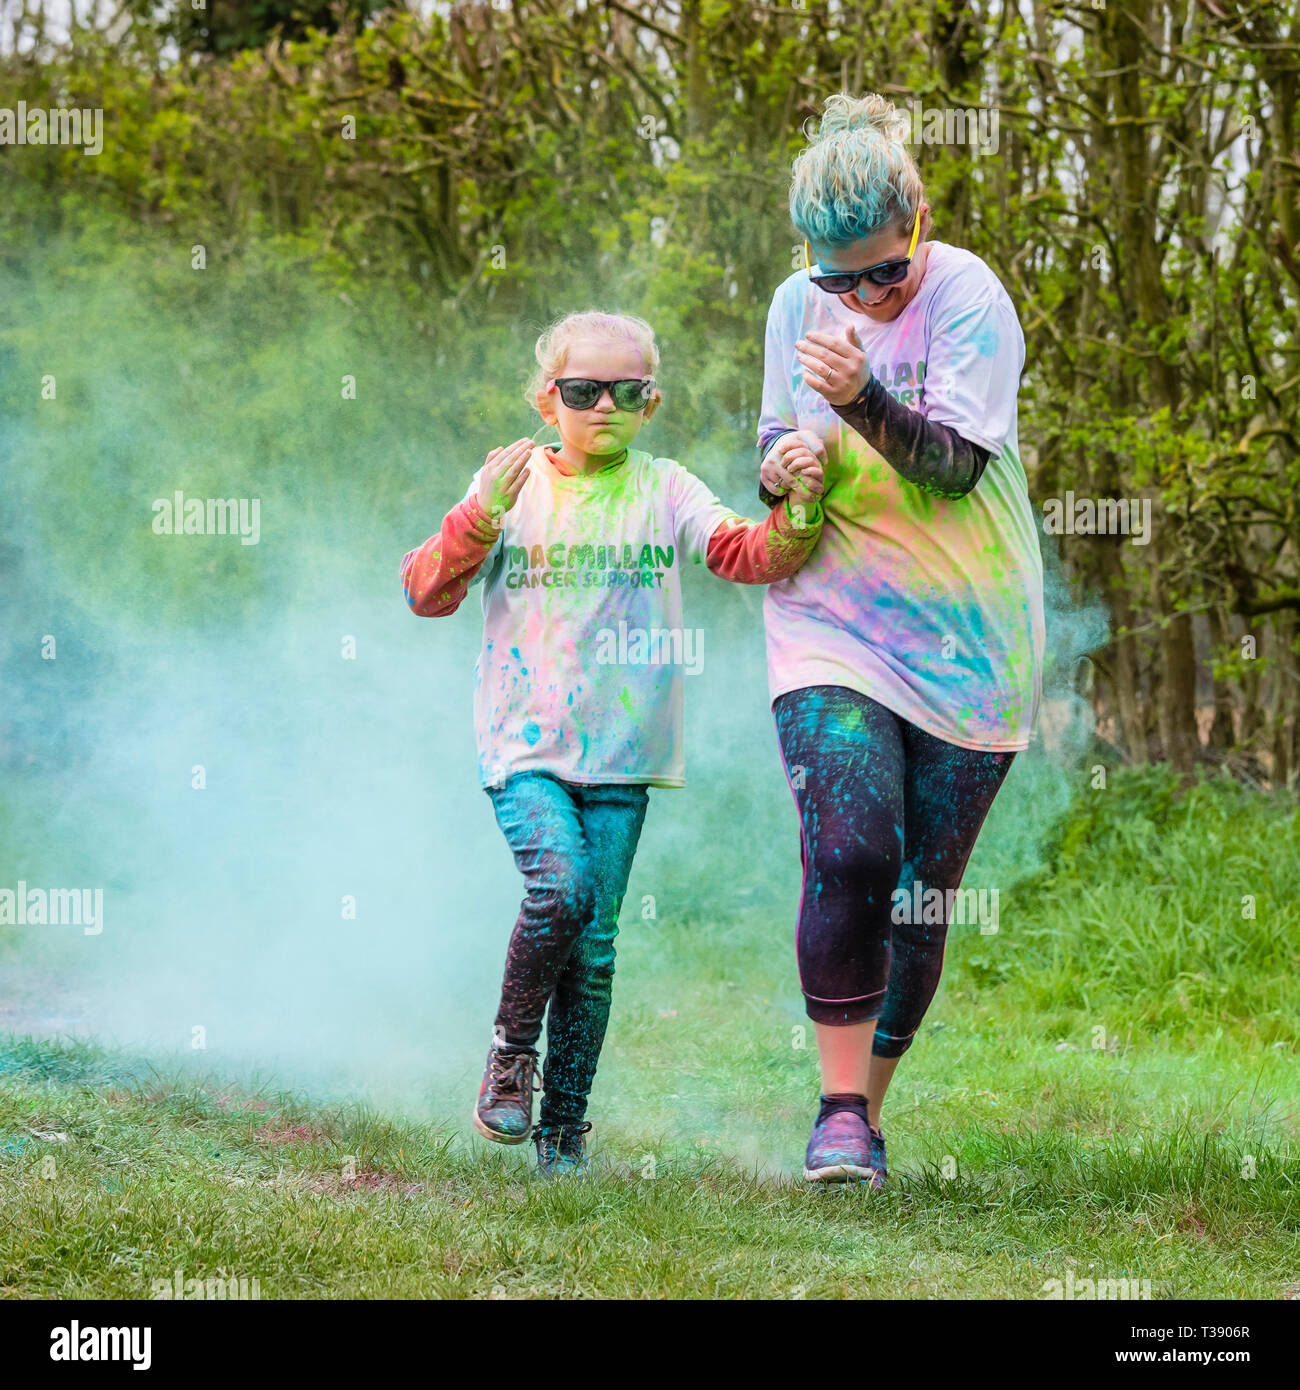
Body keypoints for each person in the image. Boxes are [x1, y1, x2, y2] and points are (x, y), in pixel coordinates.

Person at [402, 311, 824, 1175]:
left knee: (593, 950)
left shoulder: (665, 487)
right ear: (545, 399)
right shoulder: (512, 482)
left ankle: (564, 1133)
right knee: (560, 891)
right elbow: (424, 591)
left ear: (650, 401)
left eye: (625, 392)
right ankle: (511, 1055)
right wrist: (479, 513)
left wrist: (804, 505)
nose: (603, 406)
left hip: (625, 757)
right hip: (523, 748)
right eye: (582, 391)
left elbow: (745, 553)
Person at [757, 94, 1045, 1185]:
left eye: (883, 273)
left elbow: (956, 465)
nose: (862, 296)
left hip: (973, 637)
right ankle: (833, 1111)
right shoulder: (800, 302)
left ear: (918, 220)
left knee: (920, 894)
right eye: (839, 280)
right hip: (830, 616)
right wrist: (780, 460)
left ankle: (868, 1114)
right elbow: (778, 427)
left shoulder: (969, 294)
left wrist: (865, 393)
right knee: (850, 850)